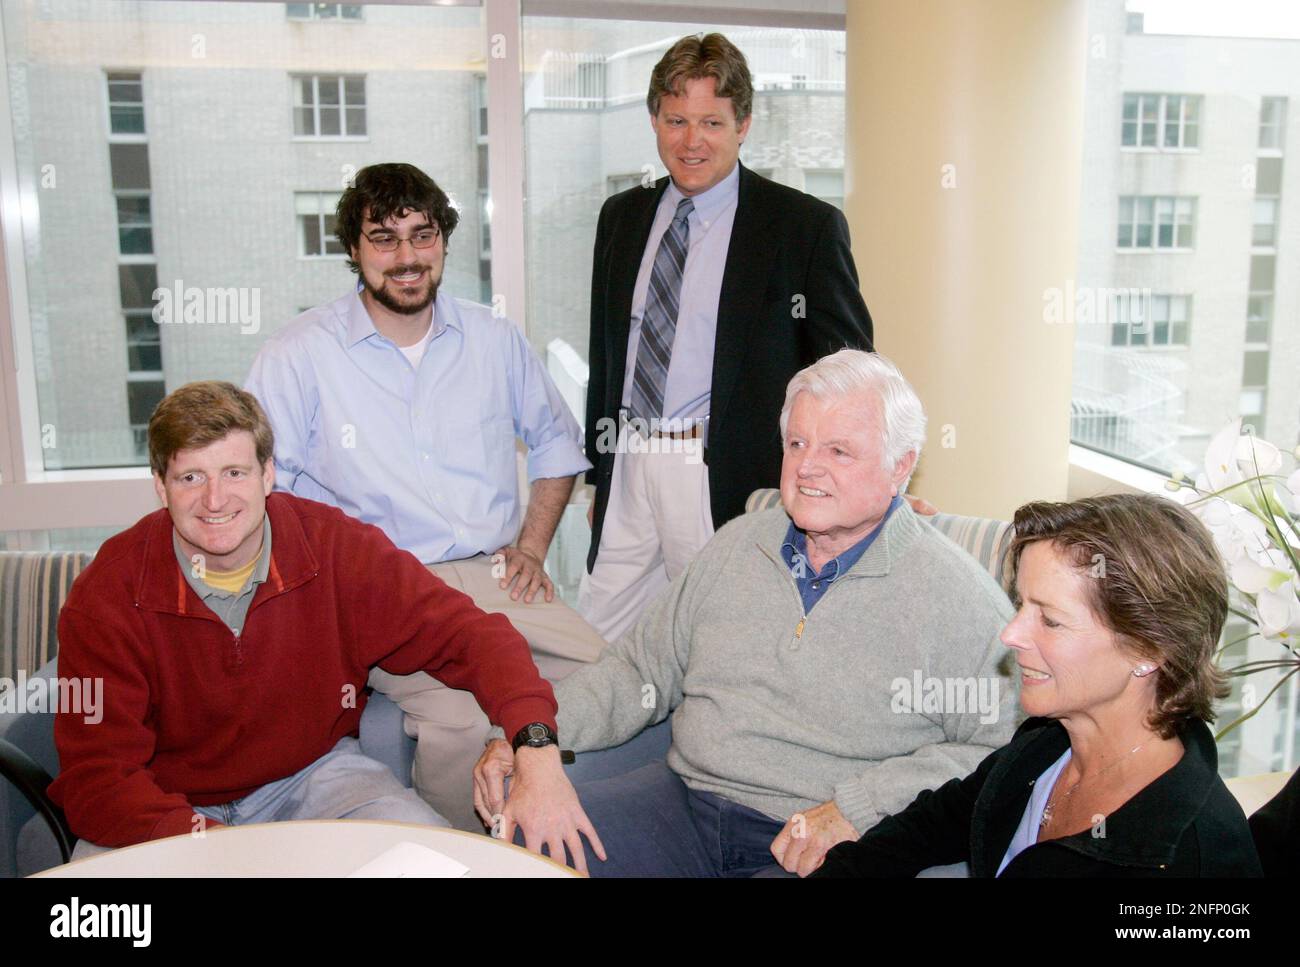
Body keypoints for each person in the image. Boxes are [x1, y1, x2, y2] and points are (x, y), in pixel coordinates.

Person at [477, 350, 1016, 876]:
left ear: (901, 466)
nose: (808, 468)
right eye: (798, 443)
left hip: (815, 843)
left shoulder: (956, 597)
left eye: (838, 451)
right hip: (683, 806)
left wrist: (861, 805)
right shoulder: (736, 546)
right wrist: (532, 734)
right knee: (519, 852)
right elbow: (636, 671)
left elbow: (1004, 753)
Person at [48, 382, 599, 867]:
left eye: (234, 472)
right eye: (191, 477)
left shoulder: (333, 547)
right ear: (160, 487)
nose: (214, 500)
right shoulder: (107, 593)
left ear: (268, 475)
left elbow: (472, 635)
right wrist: (220, 849)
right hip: (162, 808)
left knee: (433, 862)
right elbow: (98, 780)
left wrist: (535, 745)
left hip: (316, 780)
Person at [245, 163, 605, 832]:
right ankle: (461, 864)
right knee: (460, 720)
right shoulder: (298, 355)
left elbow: (559, 445)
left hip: (497, 570)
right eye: (384, 238)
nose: (407, 257)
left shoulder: (493, 339)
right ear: (352, 248)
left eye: (423, 234)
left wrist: (531, 547)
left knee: (614, 678)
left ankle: (556, 831)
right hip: (386, 588)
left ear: (443, 241)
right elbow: (269, 499)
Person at [581, 32, 875, 643]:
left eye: (711, 121)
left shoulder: (803, 227)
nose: (692, 141)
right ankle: (581, 741)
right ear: (655, 121)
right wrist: (598, 473)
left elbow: (848, 371)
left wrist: (864, 480)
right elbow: (609, 352)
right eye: (676, 120)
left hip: (724, 472)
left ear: (743, 124)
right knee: (600, 640)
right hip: (629, 459)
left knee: (723, 642)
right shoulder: (621, 216)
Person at [813, 493, 1264, 877]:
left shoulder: (1195, 856)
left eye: (1050, 619)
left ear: (1148, 649)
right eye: (1021, 605)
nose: (1010, 634)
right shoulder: (1045, 747)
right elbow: (928, 826)